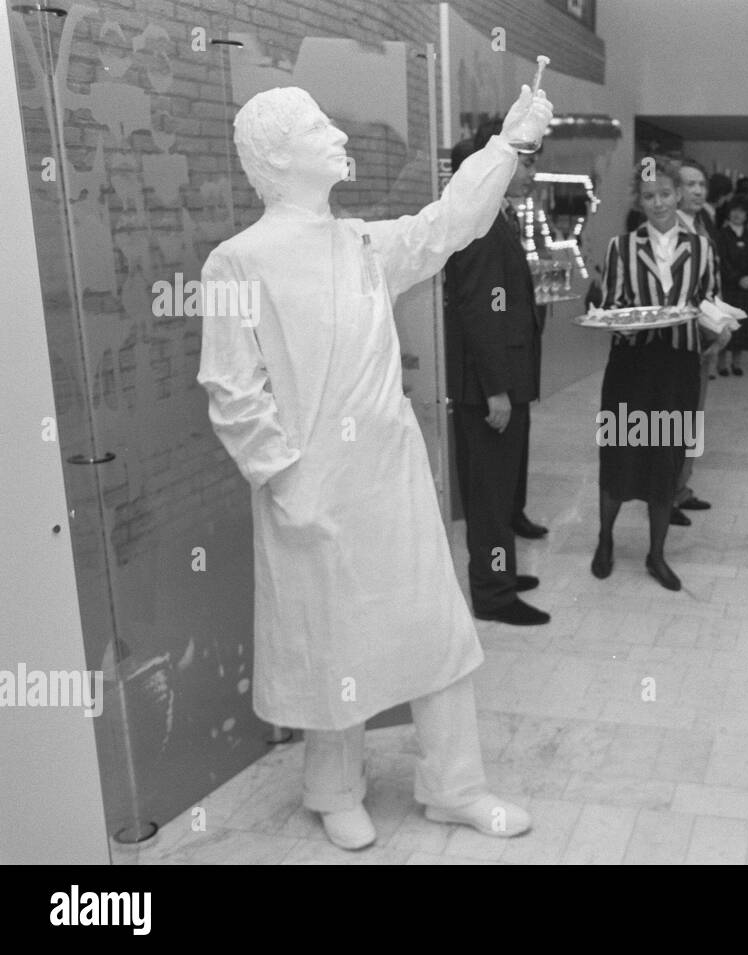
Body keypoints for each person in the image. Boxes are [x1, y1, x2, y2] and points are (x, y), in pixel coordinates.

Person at [196, 84, 552, 850]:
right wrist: (287, 482)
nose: (336, 131)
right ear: (276, 156)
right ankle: (332, 789)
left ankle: (456, 784)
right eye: (317, 126)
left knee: (438, 630)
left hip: (390, 479)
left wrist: (510, 144)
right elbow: (231, 389)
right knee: (332, 641)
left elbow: (446, 224)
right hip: (311, 487)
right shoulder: (236, 264)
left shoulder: (361, 245)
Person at [591, 159, 720, 592]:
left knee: (666, 460)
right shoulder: (620, 247)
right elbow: (611, 307)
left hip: (678, 368)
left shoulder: (701, 248)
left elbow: (711, 302)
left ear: (678, 194)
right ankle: (605, 540)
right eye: (649, 196)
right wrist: (622, 322)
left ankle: (656, 554)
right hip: (631, 368)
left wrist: (719, 328)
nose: (659, 202)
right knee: (619, 455)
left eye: (666, 193)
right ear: (639, 200)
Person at [444, 122, 549, 627]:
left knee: (501, 490)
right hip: (492, 385)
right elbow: (481, 313)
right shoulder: (481, 224)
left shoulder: (496, 218)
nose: (531, 172)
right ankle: (492, 593)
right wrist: (497, 390)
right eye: (524, 163)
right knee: (488, 497)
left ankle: (500, 573)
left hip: (506, 378)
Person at [673, 158, 722, 521]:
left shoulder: (703, 222)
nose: (697, 191)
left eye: (701, 184)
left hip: (704, 333)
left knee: (693, 416)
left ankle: (680, 486)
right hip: (678, 339)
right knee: (673, 418)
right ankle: (664, 494)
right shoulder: (666, 230)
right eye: (689, 184)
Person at [715, 199, 748, 376]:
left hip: (747, 288)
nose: (737, 214)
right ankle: (721, 363)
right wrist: (737, 279)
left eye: (741, 211)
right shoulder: (722, 235)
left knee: (742, 325)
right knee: (726, 324)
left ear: (746, 215)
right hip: (728, 288)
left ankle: (736, 363)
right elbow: (722, 261)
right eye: (734, 210)